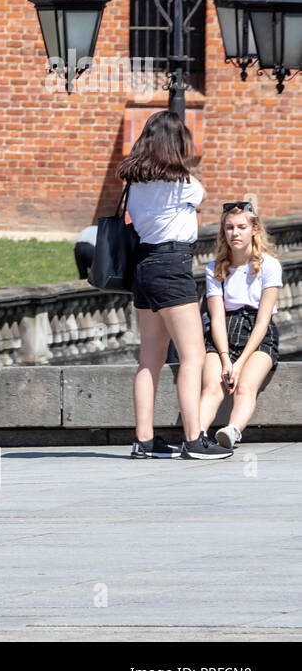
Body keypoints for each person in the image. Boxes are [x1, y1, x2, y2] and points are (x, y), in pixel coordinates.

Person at [119, 110, 231, 460]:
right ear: (174, 144)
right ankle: (194, 438)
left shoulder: (134, 181)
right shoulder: (182, 183)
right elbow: (203, 194)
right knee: (193, 356)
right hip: (172, 266)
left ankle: (144, 439)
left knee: (149, 359)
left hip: (144, 268)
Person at [197, 201, 283, 450]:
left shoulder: (270, 266)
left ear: (254, 229)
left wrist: (240, 363)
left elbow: (264, 319)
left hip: (258, 334)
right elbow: (216, 317)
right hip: (224, 332)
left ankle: (231, 431)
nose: (235, 233)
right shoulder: (214, 269)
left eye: (241, 227)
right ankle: (197, 435)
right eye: (229, 228)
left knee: (245, 386)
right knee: (212, 386)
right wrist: (225, 359)